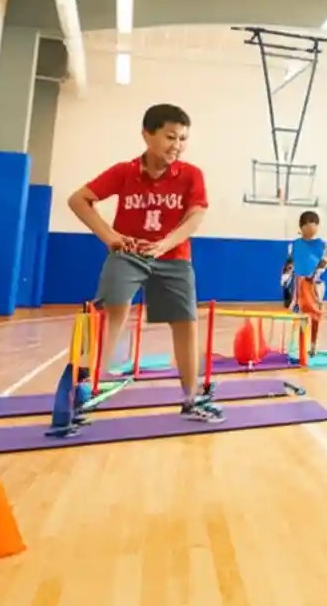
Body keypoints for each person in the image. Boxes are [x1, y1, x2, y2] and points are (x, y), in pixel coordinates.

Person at [66, 103, 223, 423]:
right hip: (128, 255)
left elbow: (196, 215)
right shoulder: (124, 172)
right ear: (147, 134)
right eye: (170, 137)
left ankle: (191, 397)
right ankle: (86, 389)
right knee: (111, 314)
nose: (176, 145)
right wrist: (109, 236)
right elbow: (78, 199)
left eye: (182, 139)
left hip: (174, 258)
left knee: (185, 322)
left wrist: (166, 243)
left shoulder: (191, 174)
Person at [290, 210, 327, 357]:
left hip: (316, 284)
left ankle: (313, 345)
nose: (310, 227)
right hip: (300, 284)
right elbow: (291, 264)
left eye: (313, 224)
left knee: (315, 315)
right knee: (301, 315)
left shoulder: (323, 244)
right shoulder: (295, 245)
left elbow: (325, 264)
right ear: (301, 227)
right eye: (306, 224)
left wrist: (316, 273)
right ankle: (300, 344)